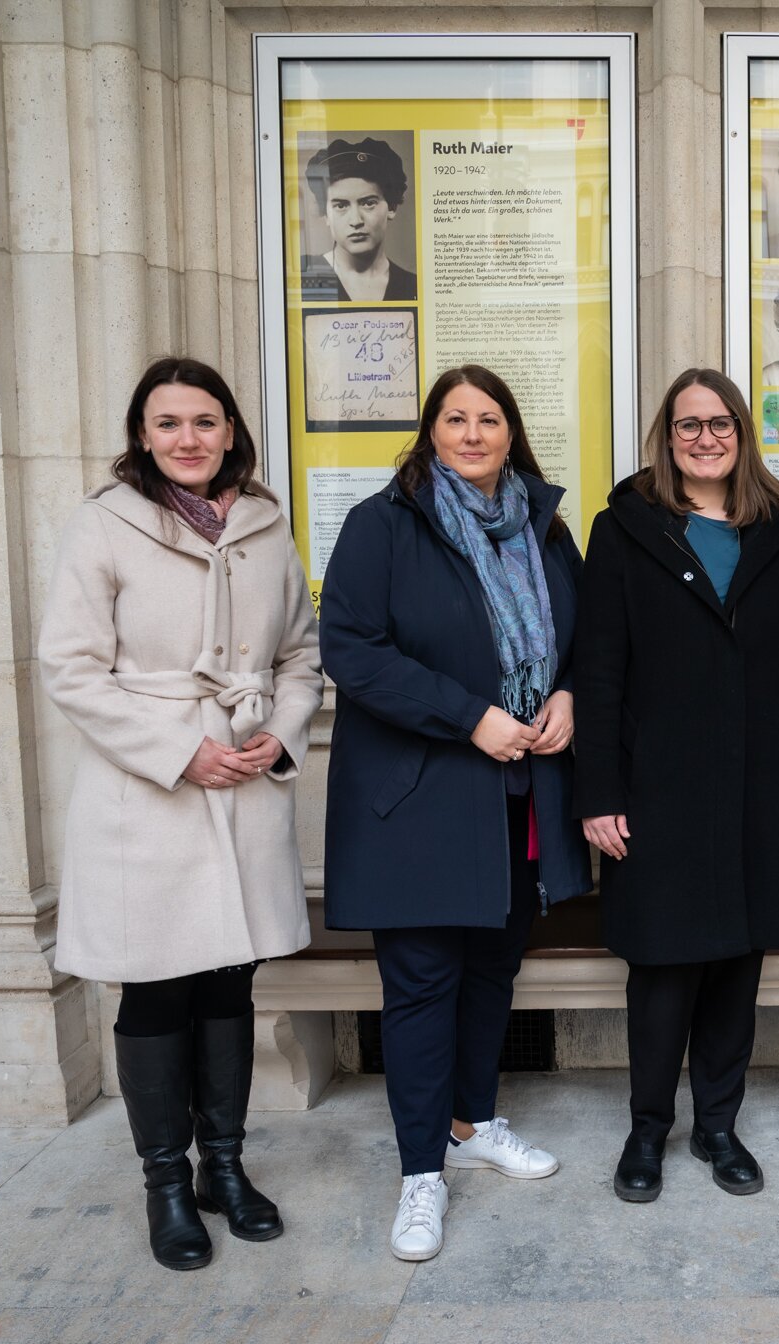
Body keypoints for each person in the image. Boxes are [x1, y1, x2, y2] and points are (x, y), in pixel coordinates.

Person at [39, 357, 323, 1271]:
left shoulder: (266, 527)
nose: (188, 438)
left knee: (230, 982)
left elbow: (300, 655)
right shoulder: (105, 524)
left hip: (243, 786)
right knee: (156, 986)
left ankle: (224, 1169)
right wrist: (177, 750)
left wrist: (278, 734)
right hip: (147, 798)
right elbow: (70, 668)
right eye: (168, 423)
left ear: (231, 430)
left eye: (204, 421)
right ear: (143, 435)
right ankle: (166, 1183)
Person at [319, 365, 590, 1261]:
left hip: (519, 795)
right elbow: (351, 649)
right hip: (420, 795)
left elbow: (585, 638)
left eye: (489, 419)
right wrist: (470, 715)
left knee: (490, 972)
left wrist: (568, 695)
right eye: (455, 418)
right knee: (423, 983)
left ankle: (472, 1125)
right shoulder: (384, 525)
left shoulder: (545, 528)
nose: (472, 433)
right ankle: (420, 1172)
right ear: (430, 431)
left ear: (512, 433)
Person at [575, 368, 779, 1203]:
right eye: (688, 424)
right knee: (662, 968)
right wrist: (599, 791)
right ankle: (647, 1128)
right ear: (668, 436)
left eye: (719, 423)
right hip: (658, 787)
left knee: (736, 964)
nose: (704, 438)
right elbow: (598, 670)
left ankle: (718, 1126)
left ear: (741, 434)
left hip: (764, 784)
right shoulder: (623, 528)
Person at [300, 137, 419, 302]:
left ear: (392, 207)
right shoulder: (300, 276)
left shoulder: (412, 285)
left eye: (368, 203)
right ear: (326, 214)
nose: (356, 221)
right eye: (341, 206)